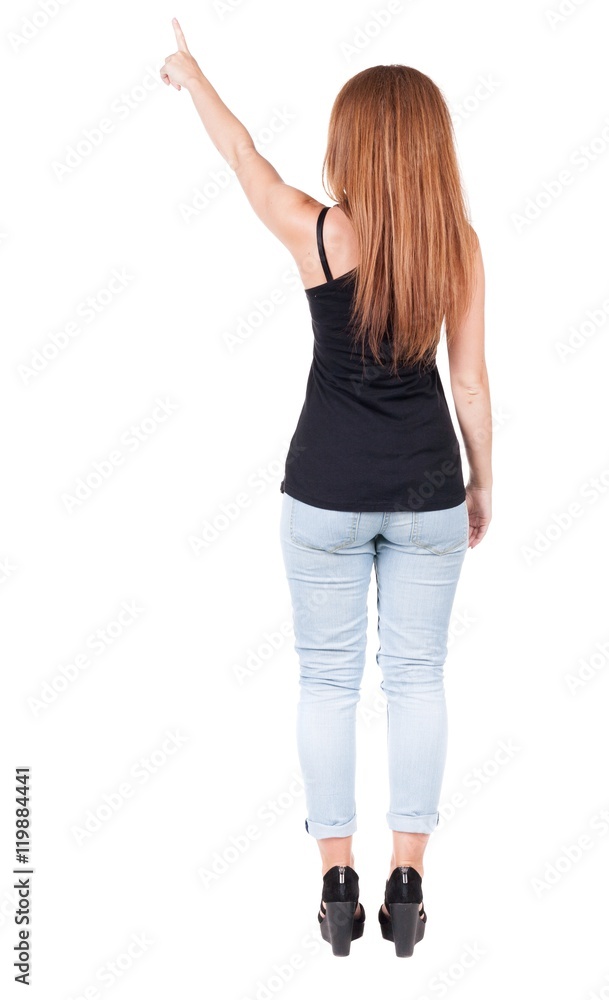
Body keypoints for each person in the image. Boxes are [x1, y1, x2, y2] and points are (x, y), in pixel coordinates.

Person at [161, 22, 492, 959]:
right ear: (431, 144)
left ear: (350, 143)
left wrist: (191, 76)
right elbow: (468, 383)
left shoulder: (315, 228)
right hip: (429, 491)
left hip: (324, 494)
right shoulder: (457, 246)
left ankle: (336, 880)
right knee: (419, 678)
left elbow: (241, 153)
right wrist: (482, 482)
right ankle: (410, 880)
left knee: (327, 683)